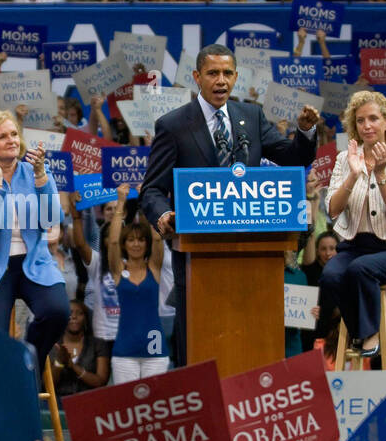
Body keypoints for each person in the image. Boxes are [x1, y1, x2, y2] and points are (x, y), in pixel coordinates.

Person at [140, 45, 319, 366]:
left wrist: (305, 132)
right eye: (212, 73)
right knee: (196, 350)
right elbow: (152, 188)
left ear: (236, 77)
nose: (221, 80)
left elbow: (293, 158)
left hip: (252, 251)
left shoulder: (250, 116)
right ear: (197, 77)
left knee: (250, 344)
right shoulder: (174, 125)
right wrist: (163, 214)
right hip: (197, 253)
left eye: (227, 73)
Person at [0, 110, 69, 374]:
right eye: (2, 136)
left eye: (14, 134)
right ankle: (9, 386)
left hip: (33, 264)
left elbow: (51, 218)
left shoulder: (36, 171)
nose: (12, 140)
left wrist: (41, 178)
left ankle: (28, 363)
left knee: (58, 312)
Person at [321, 91, 386, 357]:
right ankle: (359, 331)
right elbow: (332, 210)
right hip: (353, 247)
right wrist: (353, 174)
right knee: (331, 276)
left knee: (361, 270)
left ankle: (370, 334)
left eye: (373, 118)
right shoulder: (344, 159)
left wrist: (381, 172)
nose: (367, 125)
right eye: (361, 120)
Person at [106, 185, 167, 383]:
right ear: (125, 244)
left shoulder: (154, 269)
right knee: (126, 409)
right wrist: (121, 203)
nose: (136, 244)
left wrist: (147, 201)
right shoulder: (117, 270)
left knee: (157, 406)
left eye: (141, 240)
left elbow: (158, 238)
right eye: (131, 240)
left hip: (155, 350)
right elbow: (113, 242)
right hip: (125, 351)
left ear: (146, 244)